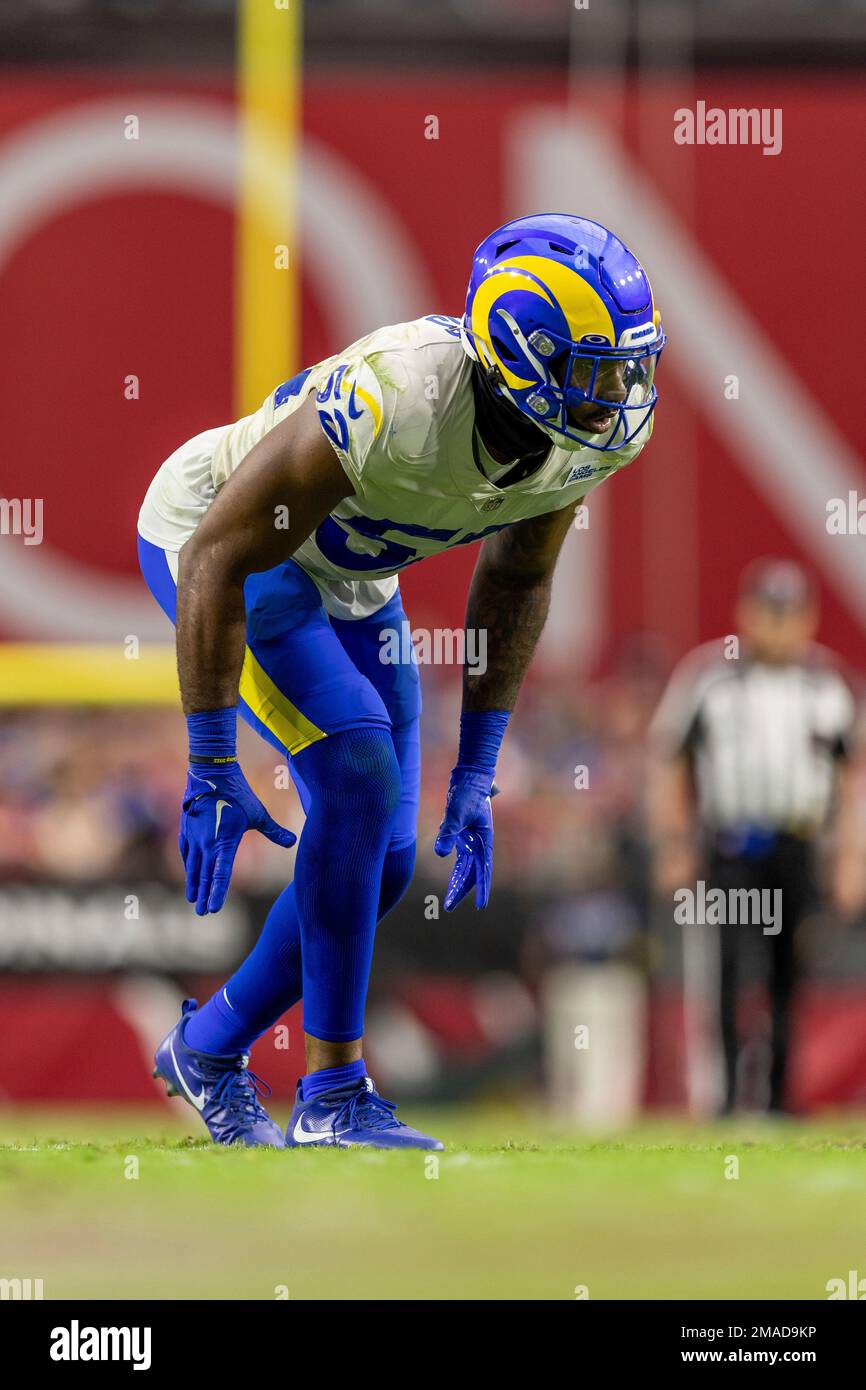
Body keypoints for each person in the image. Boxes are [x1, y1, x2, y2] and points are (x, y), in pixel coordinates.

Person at [136, 213, 665, 1148]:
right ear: (520, 351)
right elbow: (220, 551)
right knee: (359, 776)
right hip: (220, 541)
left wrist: (478, 769)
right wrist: (211, 758)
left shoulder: (590, 437)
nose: (618, 393)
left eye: (628, 366)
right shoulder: (397, 398)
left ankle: (209, 1047)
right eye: (595, 369)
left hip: (345, 571)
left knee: (380, 861)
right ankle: (333, 1094)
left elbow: (516, 577)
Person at [649, 560, 864, 1114]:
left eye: (789, 613)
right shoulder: (711, 676)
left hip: (796, 844)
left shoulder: (826, 685)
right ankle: (723, 1098)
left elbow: (851, 775)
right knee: (725, 970)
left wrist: (850, 857)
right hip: (732, 845)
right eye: (769, 612)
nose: (778, 625)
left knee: (791, 972)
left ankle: (779, 1099)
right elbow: (671, 761)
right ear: (746, 613)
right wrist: (674, 843)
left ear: (808, 619)